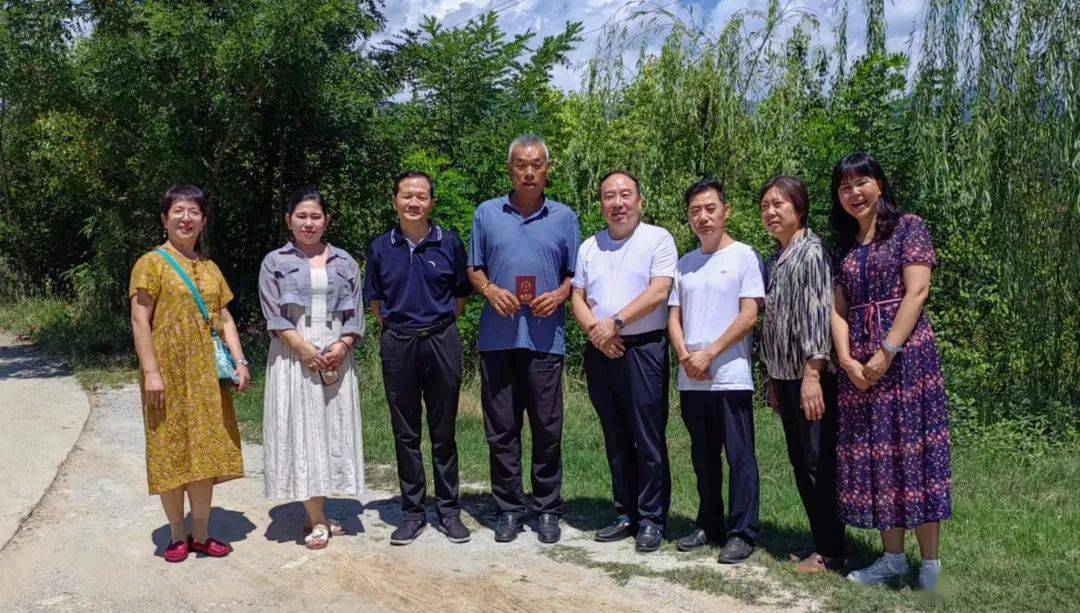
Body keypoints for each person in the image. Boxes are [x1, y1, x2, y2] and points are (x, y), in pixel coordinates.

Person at [828, 153, 952, 590]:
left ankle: (931, 566)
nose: (854, 193)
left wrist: (887, 352)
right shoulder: (843, 245)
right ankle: (893, 560)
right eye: (845, 187)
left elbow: (917, 292)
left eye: (861, 182)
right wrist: (846, 360)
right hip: (858, 367)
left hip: (907, 360)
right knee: (878, 456)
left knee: (914, 453)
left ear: (879, 184)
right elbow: (837, 309)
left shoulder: (907, 228)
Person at [467, 134, 580, 544]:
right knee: (501, 430)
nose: (528, 172)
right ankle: (509, 509)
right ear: (510, 169)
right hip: (498, 339)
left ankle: (547, 508)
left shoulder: (564, 217)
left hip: (545, 339)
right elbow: (474, 268)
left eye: (536, 164)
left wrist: (561, 294)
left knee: (547, 428)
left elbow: (576, 275)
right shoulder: (487, 213)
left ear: (547, 170)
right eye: (521, 165)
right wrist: (489, 290)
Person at [129, 185, 251, 562]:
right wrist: (151, 372)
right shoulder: (150, 263)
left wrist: (240, 361)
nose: (186, 218)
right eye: (178, 211)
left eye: (193, 212)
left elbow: (225, 318)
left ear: (203, 221)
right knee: (169, 449)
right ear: (164, 219)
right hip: (166, 373)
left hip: (206, 375)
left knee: (203, 450)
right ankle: (176, 535)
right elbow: (140, 320)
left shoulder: (210, 268)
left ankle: (201, 533)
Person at [570, 171, 676, 552]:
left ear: (639, 200)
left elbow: (659, 291)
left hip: (643, 348)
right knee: (614, 435)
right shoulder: (590, 246)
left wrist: (614, 323)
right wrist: (596, 333)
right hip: (600, 349)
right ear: (601, 204)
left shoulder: (658, 239)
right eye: (609, 196)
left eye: (625, 194)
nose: (617, 203)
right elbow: (578, 296)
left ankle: (651, 518)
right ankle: (625, 512)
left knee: (647, 435)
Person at [364, 171, 472, 546]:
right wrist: (403, 330)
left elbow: (461, 297)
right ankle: (413, 513)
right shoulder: (381, 247)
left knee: (444, 432)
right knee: (406, 432)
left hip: (441, 339)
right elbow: (376, 304)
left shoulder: (450, 242)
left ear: (431, 202)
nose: (414, 203)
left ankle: (450, 512)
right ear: (395, 200)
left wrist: (434, 326)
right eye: (407, 196)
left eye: (421, 196)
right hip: (399, 343)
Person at [258, 187, 365, 550]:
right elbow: (273, 314)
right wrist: (303, 348)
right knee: (302, 429)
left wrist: (343, 345)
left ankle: (314, 511)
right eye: (301, 216)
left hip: (335, 355)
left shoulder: (345, 262)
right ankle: (317, 519)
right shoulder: (274, 261)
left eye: (315, 216)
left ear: (327, 221)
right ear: (289, 220)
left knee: (330, 430)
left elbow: (356, 315)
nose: (308, 223)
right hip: (293, 353)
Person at [669, 177, 765, 565]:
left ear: (726, 210)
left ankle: (742, 532)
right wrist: (685, 355)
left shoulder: (744, 256)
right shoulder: (685, 264)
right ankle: (709, 523)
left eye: (710, 209)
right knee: (703, 456)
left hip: (730, 375)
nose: (703, 217)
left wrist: (709, 353)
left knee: (739, 457)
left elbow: (749, 315)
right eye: (695, 211)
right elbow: (674, 317)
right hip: (692, 378)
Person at [758, 176, 846, 573]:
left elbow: (816, 315)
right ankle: (821, 541)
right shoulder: (778, 257)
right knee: (801, 461)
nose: (771, 212)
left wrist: (812, 375)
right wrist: (774, 380)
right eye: (765, 206)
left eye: (779, 204)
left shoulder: (811, 253)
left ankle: (831, 550)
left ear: (799, 207)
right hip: (785, 376)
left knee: (817, 463)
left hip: (810, 376)